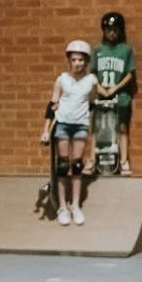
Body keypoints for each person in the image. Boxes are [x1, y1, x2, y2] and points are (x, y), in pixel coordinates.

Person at [39, 41, 97, 226]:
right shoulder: (62, 79)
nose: (77, 63)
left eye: (81, 60)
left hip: (80, 125)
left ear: (86, 61)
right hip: (63, 124)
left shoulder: (91, 80)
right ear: (69, 61)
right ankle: (62, 207)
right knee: (63, 166)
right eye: (74, 60)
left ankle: (76, 205)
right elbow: (52, 105)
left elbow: (93, 101)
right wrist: (45, 130)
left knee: (77, 165)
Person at [90, 12, 137, 174]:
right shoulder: (97, 50)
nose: (112, 33)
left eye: (115, 30)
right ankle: (92, 160)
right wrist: (100, 88)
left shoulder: (126, 50)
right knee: (97, 128)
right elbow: (93, 72)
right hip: (102, 97)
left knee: (122, 128)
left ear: (120, 31)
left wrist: (116, 88)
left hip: (121, 97)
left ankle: (124, 161)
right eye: (109, 29)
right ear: (103, 30)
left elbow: (130, 74)